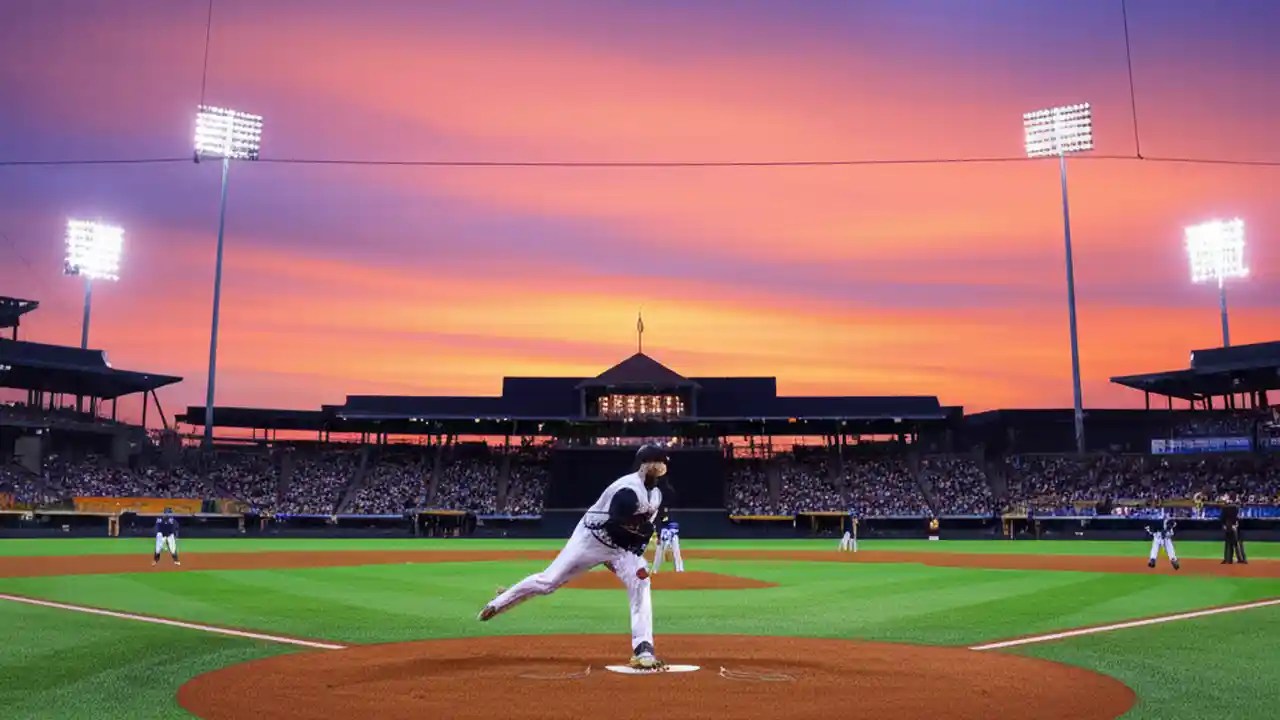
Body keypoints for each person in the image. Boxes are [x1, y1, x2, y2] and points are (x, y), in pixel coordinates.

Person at [478, 444, 669, 669]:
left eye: (663, 462)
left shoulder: (655, 495)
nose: (662, 466)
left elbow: (642, 530)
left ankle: (643, 647)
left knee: (641, 580)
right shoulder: (627, 490)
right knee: (548, 582)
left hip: (619, 549)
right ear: (645, 465)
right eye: (658, 461)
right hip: (591, 541)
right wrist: (634, 537)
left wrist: (638, 548)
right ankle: (499, 603)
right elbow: (613, 527)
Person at [1221, 494, 1247, 565]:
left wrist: (1224, 525)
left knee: (1230, 543)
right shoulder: (1235, 507)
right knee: (1236, 543)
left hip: (1230, 526)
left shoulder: (1228, 507)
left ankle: (1228, 559)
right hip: (1233, 526)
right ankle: (1240, 559)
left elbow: (1222, 518)